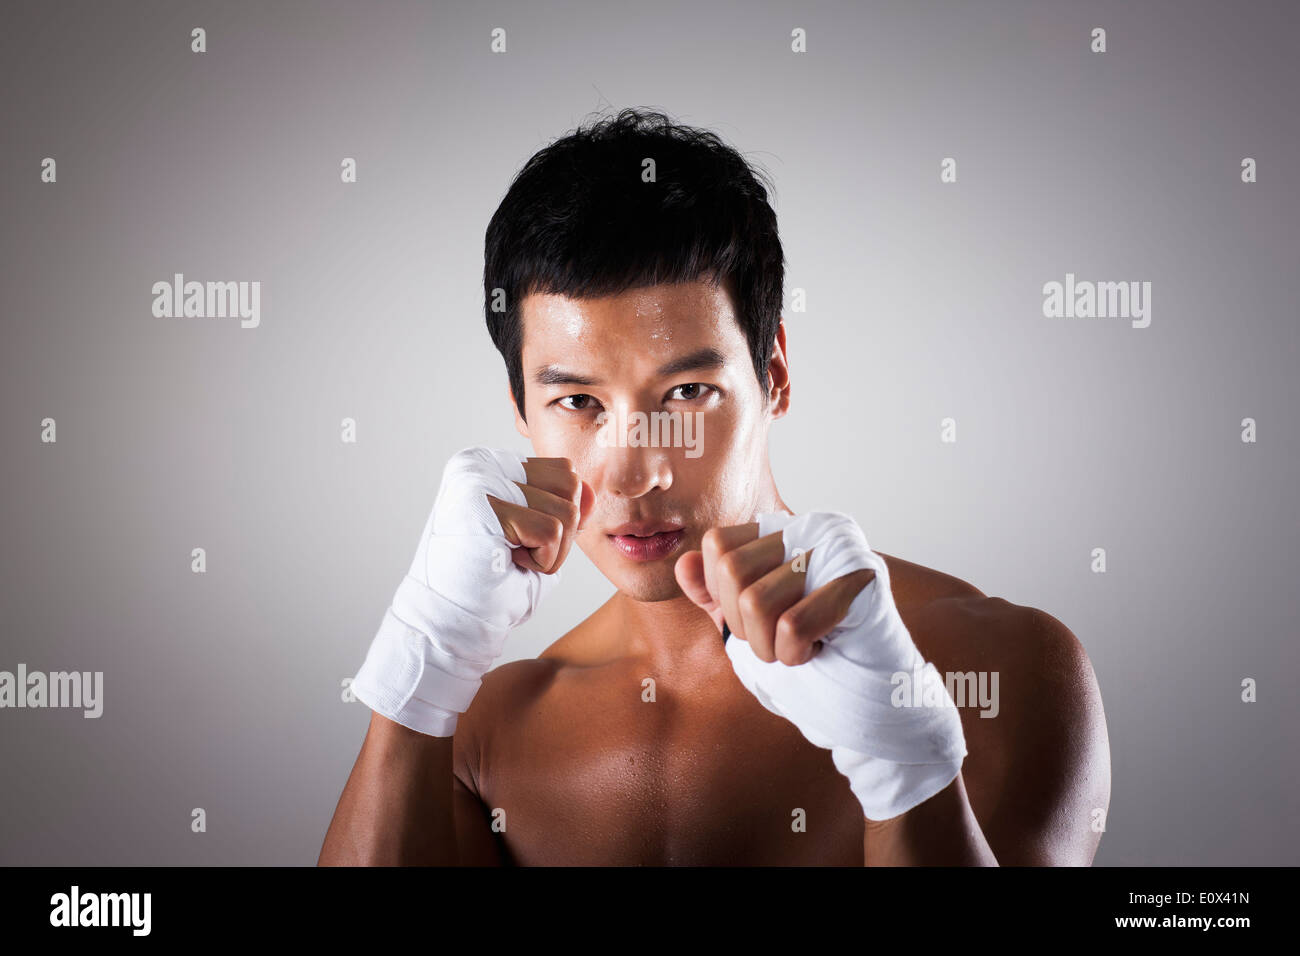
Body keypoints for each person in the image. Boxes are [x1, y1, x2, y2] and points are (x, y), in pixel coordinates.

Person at [319, 108, 1111, 866]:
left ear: (774, 374)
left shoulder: (1003, 667)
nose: (633, 472)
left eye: (685, 395)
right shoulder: (482, 735)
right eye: (579, 403)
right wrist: (420, 665)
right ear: (522, 414)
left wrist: (909, 768)